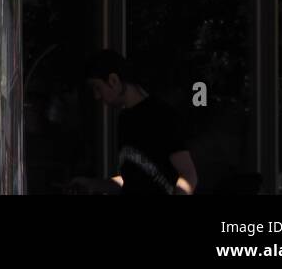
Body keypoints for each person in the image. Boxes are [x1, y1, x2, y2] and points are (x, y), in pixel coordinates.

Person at [85, 50, 198, 196]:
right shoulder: (124, 119)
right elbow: (134, 179)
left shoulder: (162, 116)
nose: (96, 96)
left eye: (97, 87)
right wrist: (93, 185)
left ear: (113, 80)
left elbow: (189, 176)